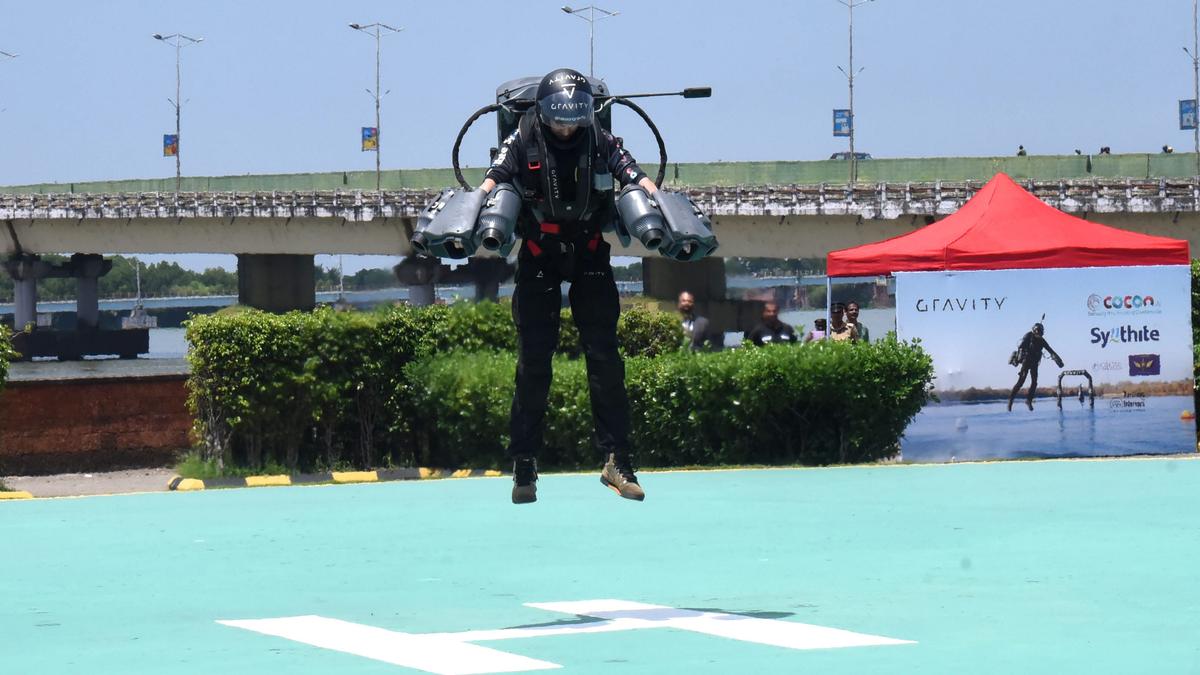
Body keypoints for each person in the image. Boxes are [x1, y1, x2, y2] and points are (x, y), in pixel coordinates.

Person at [478, 68, 659, 505]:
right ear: (542, 112)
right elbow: (495, 175)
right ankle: (524, 463)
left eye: (575, 116)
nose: (566, 126)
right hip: (540, 254)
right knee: (534, 363)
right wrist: (474, 206)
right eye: (559, 117)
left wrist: (658, 199)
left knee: (605, 359)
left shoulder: (597, 135)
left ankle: (617, 459)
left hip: (589, 252)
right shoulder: (523, 136)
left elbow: (633, 173)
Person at [1006, 322, 1064, 412]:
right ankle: (1010, 401)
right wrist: (1018, 359)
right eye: (1039, 332)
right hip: (1026, 361)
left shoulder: (1042, 340)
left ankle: (1028, 400)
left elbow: (1050, 350)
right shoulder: (1028, 336)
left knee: (1034, 382)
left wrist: (1058, 360)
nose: (1041, 334)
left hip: (1034, 363)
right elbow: (1020, 347)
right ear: (1035, 331)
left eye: (1041, 332)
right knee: (1021, 382)